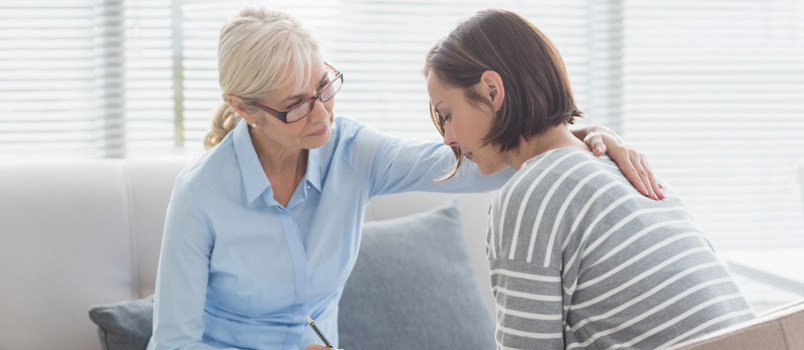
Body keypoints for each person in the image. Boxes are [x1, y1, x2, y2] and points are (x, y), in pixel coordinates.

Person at [148, 6, 662, 350]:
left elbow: (474, 160)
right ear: (244, 108)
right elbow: (173, 340)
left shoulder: (350, 151)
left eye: (323, 86)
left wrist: (575, 137)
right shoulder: (201, 196)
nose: (323, 115)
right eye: (296, 105)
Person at [424, 8, 755, 350]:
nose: (447, 138)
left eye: (447, 115)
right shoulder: (633, 175)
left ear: (492, 91)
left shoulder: (529, 197)